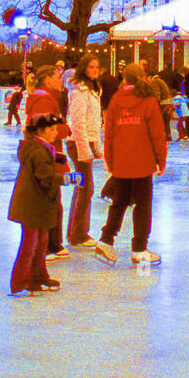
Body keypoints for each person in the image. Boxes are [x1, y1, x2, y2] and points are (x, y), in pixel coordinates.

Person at [97, 63, 167, 266]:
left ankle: (106, 239)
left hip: (121, 161)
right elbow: (157, 134)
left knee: (119, 202)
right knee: (143, 206)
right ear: (143, 78)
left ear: (124, 79)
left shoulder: (116, 100)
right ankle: (139, 248)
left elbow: (109, 133)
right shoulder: (149, 101)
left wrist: (110, 160)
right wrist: (160, 159)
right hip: (142, 162)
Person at [8, 113, 74, 297]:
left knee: (42, 241)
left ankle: (38, 276)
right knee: (30, 244)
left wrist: (56, 158)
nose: (56, 133)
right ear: (41, 131)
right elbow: (45, 178)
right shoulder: (38, 151)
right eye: (52, 130)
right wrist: (67, 178)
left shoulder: (43, 148)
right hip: (31, 205)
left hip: (39, 204)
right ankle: (20, 282)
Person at [26, 65, 71, 260]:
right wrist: (65, 129)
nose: (60, 81)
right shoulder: (43, 100)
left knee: (54, 198)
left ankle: (53, 242)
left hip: (49, 153)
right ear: (47, 80)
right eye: (57, 77)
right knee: (49, 198)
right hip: (45, 154)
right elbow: (44, 129)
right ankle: (47, 246)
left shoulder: (46, 98)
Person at [66, 53, 105, 250]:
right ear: (83, 69)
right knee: (85, 188)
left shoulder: (92, 90)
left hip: (86, 142)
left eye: (97, 67)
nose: (95, 71)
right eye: (91, 67)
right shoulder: (80, 91)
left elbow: (94, 124)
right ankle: (78, 234)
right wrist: (84, 149)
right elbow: (78, 122)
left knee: (84, 187)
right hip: (78, 142)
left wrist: (96, 147)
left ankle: (75, 231)